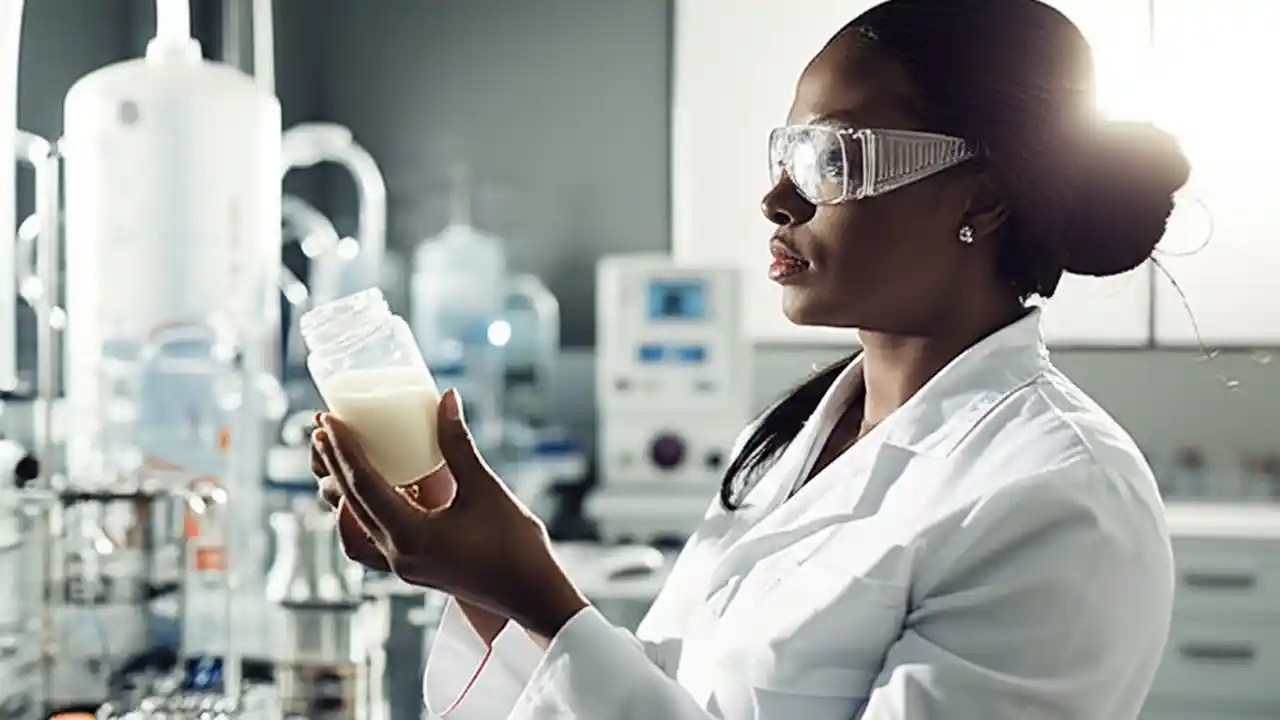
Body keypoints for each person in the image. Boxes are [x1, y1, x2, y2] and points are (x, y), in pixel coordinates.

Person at [311, 0, 1189, 717]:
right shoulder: (795, 439)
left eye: (832, 157)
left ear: (982, 198)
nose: (777, 199)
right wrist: (478, 576)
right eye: (786, 151)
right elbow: (664, 693)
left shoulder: (1063, 500)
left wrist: (539, 592)